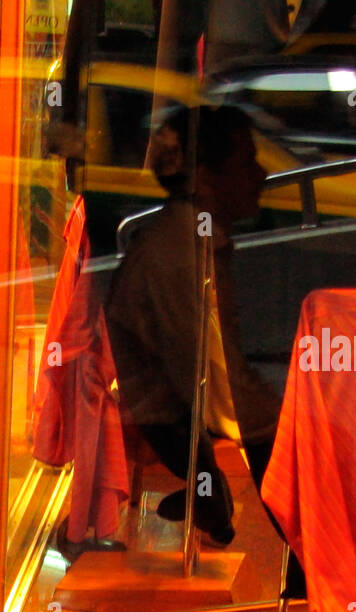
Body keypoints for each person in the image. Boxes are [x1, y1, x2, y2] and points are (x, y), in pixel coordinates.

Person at [104, 105, 283, 546]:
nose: (261, 176)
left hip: (182, 407)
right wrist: (291, 421)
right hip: (170, 418)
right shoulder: (179, 251)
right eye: (247, 163)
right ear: (205, 177)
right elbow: (210, 386)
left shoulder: (196, 238)